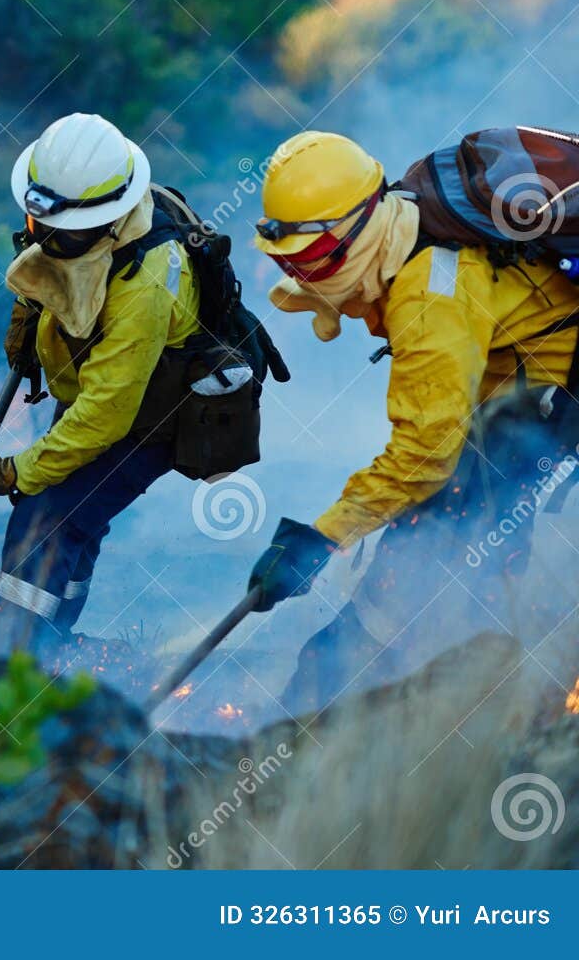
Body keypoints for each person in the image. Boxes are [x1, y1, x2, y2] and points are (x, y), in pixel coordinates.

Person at [247, 129, 579, 711]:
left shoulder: (430, 297)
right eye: (286, 261)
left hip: (545, 402)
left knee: (437, 556)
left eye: (309, 259)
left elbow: (425, 454)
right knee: (461, 538)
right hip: (513, 399)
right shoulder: (405, 222)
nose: (302, 276)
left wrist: (322, 539)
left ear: (356, 229)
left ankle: (342, 699)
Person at [0, 113, 213, 657]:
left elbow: (106, 415)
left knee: (45, 518)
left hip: (149, 418)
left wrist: (11, 471)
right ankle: (49, 643)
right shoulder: (76, 221)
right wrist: (31, 309)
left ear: (108, 219)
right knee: (72, 520)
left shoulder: (147, 281)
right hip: (96, 393)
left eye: (61, 232)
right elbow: (61, 268)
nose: (44, 238)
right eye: (39, 222)